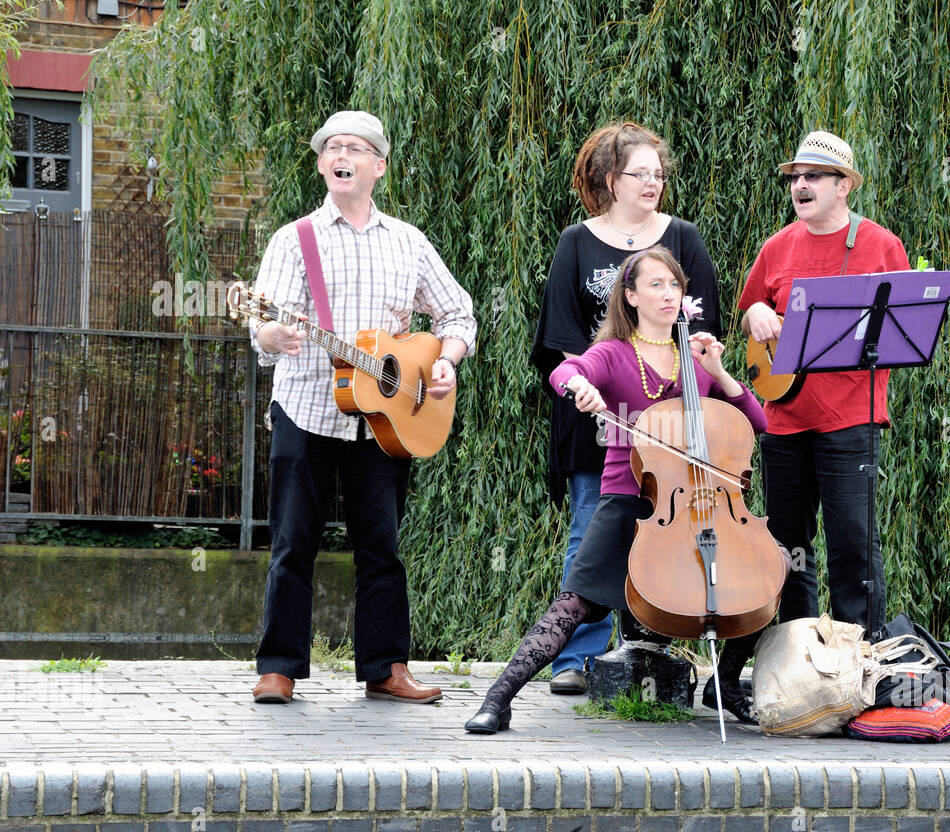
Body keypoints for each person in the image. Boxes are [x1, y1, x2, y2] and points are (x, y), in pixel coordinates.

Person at [468, 246, 767, 733]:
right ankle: (499, 696)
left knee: (764, 576)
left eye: (675, 286)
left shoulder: (693, 359)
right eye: (656, 285)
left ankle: (726, 684)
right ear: (629, 296)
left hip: (696, 506)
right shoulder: (613, 353)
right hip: (627, 498)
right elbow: (563, 371)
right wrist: (578, 389)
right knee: (575, 603)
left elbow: (758, 423)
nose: (669, 294)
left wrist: (719, 374)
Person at [248, 110, 476, 704]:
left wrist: (445, 359)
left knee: (382, 547)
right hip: (305, 408)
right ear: (323, 165)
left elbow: (458, 313)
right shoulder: (294, 239)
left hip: (387, 419)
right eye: (330, 148)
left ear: (379, 165)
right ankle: (278, 668)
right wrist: (269, 336)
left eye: (354, 147)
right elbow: (261, 319)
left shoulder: (408, 241)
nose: (340, 155)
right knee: (294, 542)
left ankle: (385, 667)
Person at [529, 122, 722, 695]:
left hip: (667, 418)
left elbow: (701, 328)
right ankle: (575, 660)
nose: (653, 183)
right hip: (597, 415)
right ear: (611, 180)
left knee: (660, 531)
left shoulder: (682, 237)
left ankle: (641, 655)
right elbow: (563, 338)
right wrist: (596, 388)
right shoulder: (578, 242)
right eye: (641, 173)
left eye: (659, 174)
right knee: (592, 530)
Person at [739, 131, 910, 637]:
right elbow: (749, 308)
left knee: (853, 543)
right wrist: (756, 315)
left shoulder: (881, 245)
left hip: (850, 420)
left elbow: (904, 327)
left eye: (814, 175)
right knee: (788, 544)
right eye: (796, 176)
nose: (801, 184)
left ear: (844, 186)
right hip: (784, 421)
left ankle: (862, 660)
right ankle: (799, 655)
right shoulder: (777, 246)